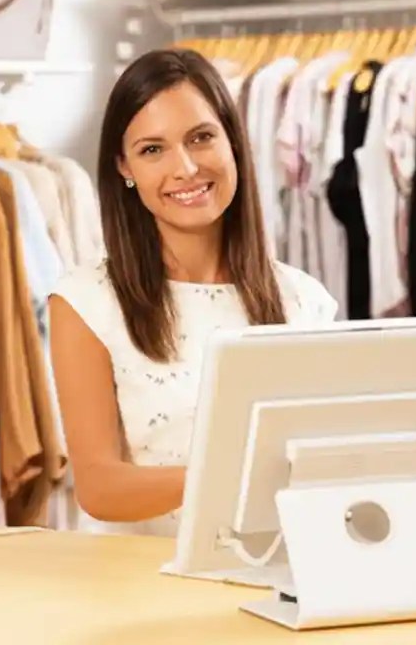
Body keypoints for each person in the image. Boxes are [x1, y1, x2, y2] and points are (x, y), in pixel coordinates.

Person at [49, 49, 338, 536]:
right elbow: (99, 488)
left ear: (232, 142)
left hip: (283, 579)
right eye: (152, 150)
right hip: (148, 589)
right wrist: (235, 475)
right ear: (125, 167)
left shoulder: (303, 300)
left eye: (201, 138)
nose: (184, 168)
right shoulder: (86, 302)